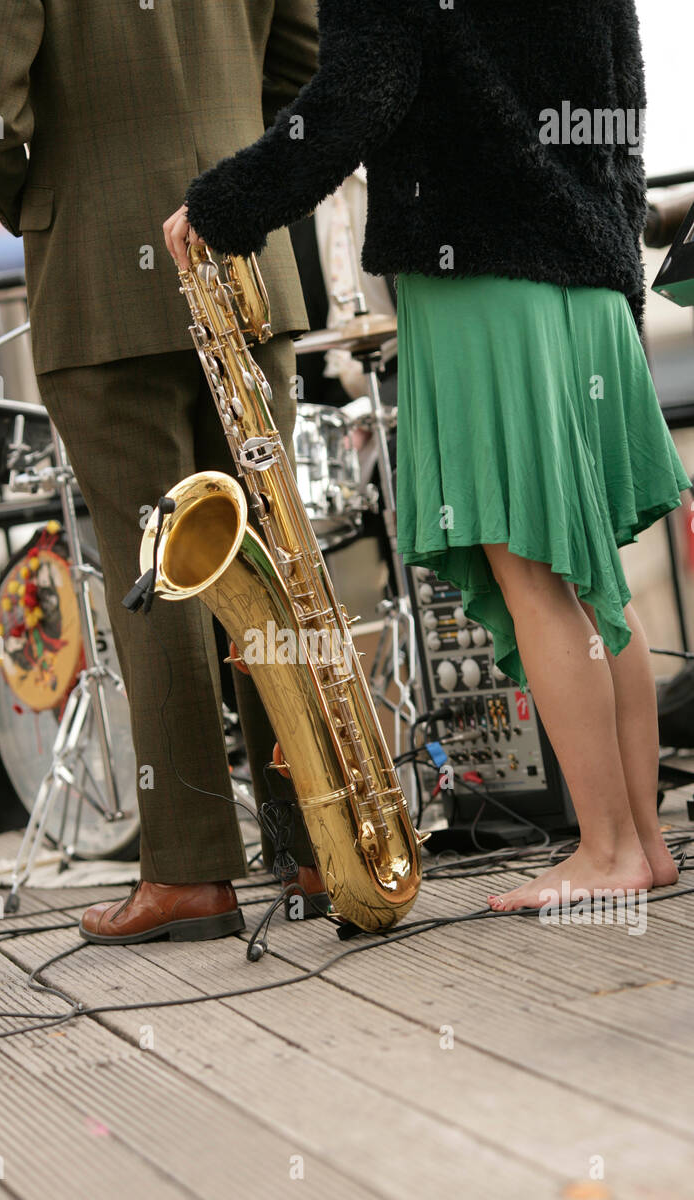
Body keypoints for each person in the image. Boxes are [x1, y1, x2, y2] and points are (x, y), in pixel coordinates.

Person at [164, 0, 691, 911]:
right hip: (588, 276)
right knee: (590, 577)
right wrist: (612, 269)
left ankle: (604, 851)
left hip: (484, 283)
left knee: (534, 579)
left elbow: (359, 93)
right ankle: (641, 844)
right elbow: (621, 114)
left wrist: (223, 206)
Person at [0, 0, 325, 943]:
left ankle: (193, 874)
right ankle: (320, 838)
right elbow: (310, 71)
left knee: (157, 581)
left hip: (101, 272)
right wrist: (245, 181)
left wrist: (48, 202)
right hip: (242, 260)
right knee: (269, 561)